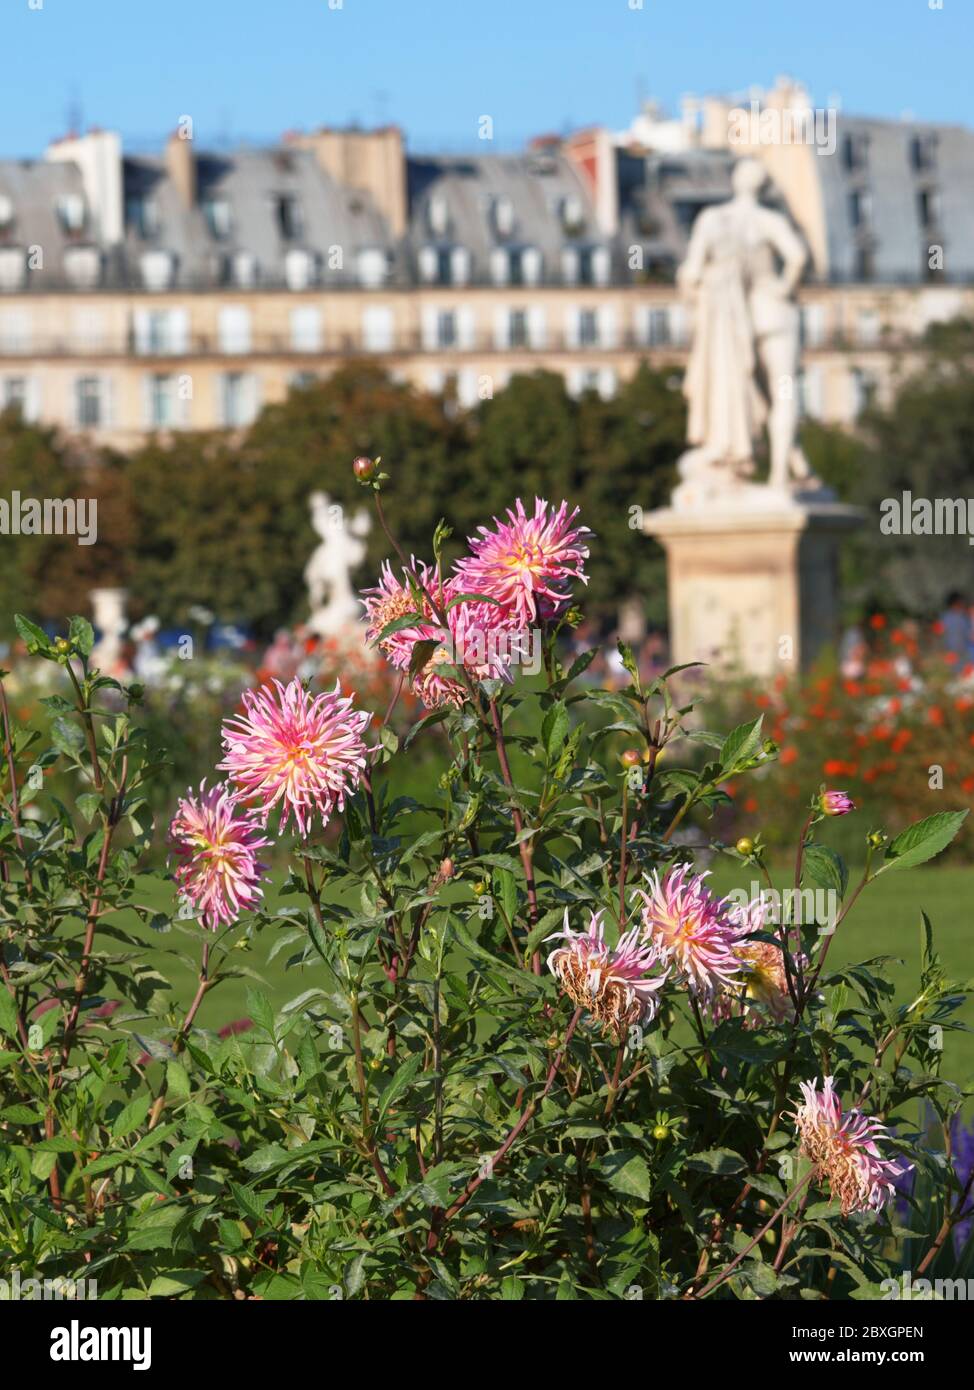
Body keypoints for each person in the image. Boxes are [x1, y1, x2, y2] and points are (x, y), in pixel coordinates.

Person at [940, 590, 972, 662]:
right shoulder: (946, 617)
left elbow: (969, 634)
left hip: (964, 651)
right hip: (952, 653)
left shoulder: (964, 616)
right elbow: (942, 635)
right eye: (960, 601)